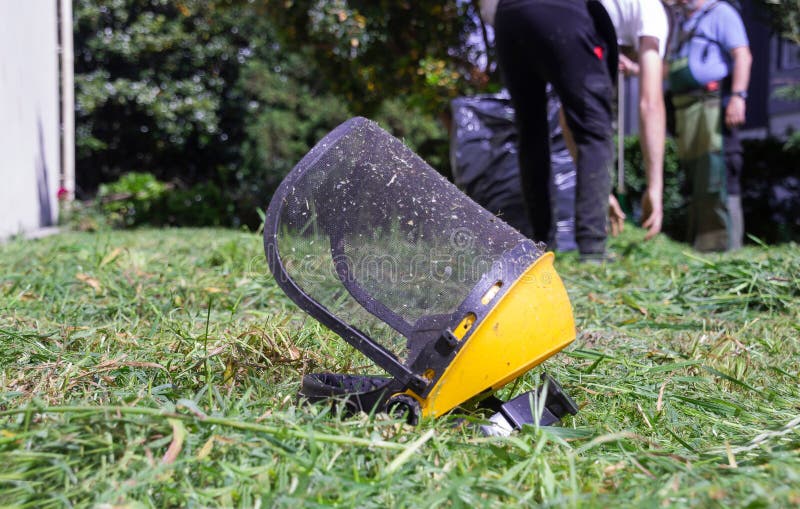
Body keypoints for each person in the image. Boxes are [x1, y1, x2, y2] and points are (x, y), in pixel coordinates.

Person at [480, 0, 668, 263]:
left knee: (531, 130)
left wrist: (601, 191)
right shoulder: (653, 13)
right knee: (596, 130)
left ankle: (540, 246)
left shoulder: (608, 19)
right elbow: (650, 103)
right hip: (560, 11)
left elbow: (570, 117)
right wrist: (655, 189)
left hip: (508, 14)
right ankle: (592, 251)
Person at [667, 0, 752, 251]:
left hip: (715, 107)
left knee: (721, 174)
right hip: (688, 110)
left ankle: (730, 249)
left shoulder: (721, 13)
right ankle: (705, 248)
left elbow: (743, 55)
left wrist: (738, 96)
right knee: (699, 178)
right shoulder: (683, 21)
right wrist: (636, 68)